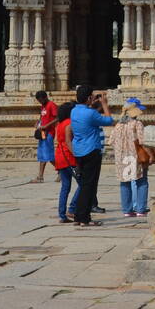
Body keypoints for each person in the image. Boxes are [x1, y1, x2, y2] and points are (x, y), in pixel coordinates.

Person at [70, 84, 115, 227]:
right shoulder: (90, 113)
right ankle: (84, 218)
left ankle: (79, 216)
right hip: (91, 151)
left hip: (78, 151)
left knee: (84, 184)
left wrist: (92, 103)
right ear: (89, 98)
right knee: (89, 186)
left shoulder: (74, 111)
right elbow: (109, 120)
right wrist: (104, 104)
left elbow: (89, 115)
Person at [111, 98, 150, 218]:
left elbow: (111, 141)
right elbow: (143, 141)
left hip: (121, 158)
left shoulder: (118, 125)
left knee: (125, 183)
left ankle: (127, 210)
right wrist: (151, 155)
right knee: (141, 181)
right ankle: (140, 209)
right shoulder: (137, 124)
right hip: (135, 157)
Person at [52, 101, 80, 222]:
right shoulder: (70, 123)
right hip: (69, 157)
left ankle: (62, 215)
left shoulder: (59, 124)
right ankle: (72, 208)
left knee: (65, 187)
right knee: (84, 184)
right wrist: (77, 156)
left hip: (59, 156)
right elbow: (69, 142)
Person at [32, 90, 57, 182]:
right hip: (42, 132)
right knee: (43, 153)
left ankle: (61, 172)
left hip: (49, 132)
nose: (40, 102)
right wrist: (38, 122)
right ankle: (40, 176)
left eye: (41, 100)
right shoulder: (43, 106)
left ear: (45, 97)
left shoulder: (52, 105)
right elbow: (42, 116)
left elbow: (57, 117)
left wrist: (47, 125)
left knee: (48, 155)